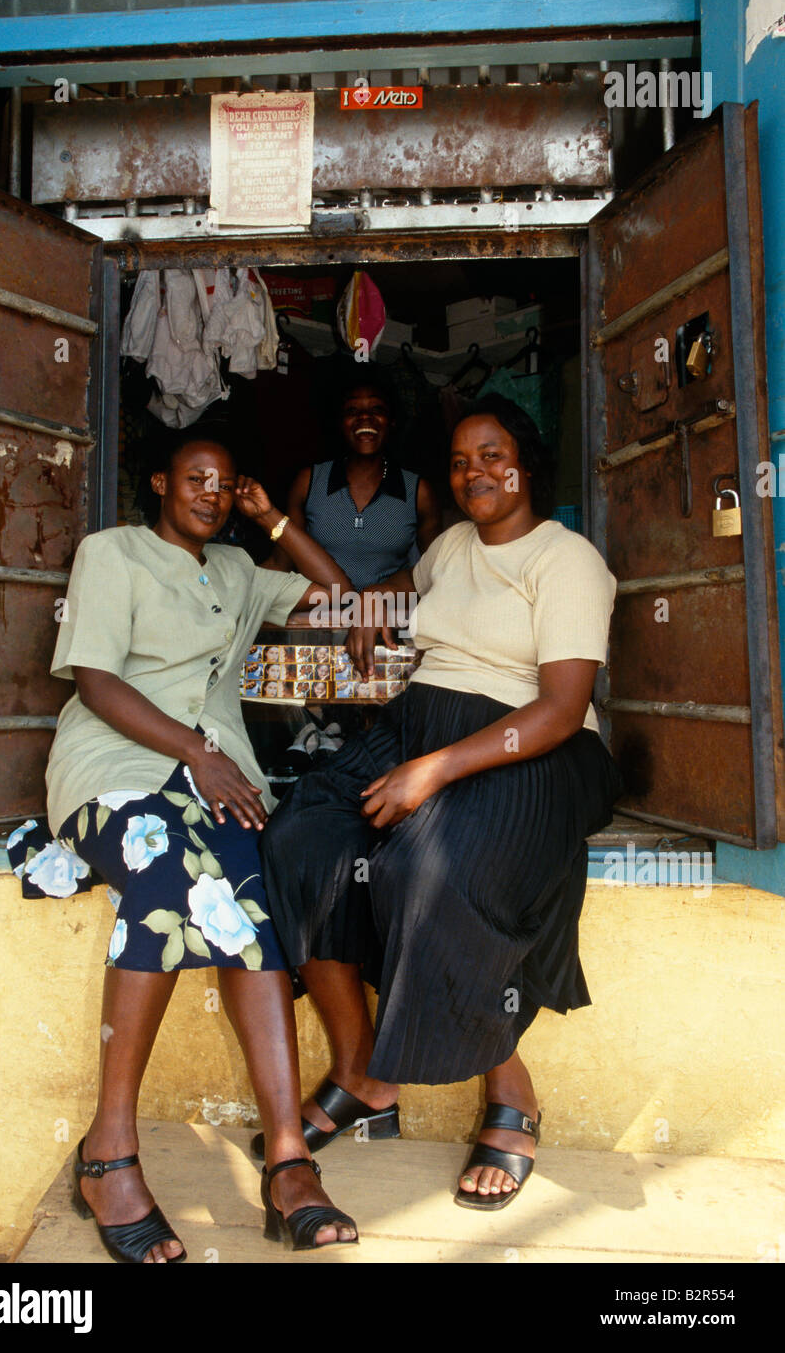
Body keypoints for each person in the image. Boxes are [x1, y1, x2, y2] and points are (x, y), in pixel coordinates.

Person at [256, 395, 623, 1208]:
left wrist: (436, 771)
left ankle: (511, 1087)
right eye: (460, 462)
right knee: (301, 840)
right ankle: (360, 1072)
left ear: (525, 461)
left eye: (492, 455)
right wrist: (366, 612)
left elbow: (562, 707)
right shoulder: (452, 545)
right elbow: (406, 582)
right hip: (423, 717)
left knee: (430, 866)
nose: (475, 473)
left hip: (532, 743)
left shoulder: (566, 561)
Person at [40, 429, 362, 1261]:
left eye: (226, 484)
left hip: (217, 778)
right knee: (163, 889)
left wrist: (273, 520)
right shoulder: (112, 554)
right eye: (197, 479)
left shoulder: (237, 571)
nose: (213, 494)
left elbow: (339, 596)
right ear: (160, 483)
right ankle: (108, 1151)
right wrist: (197, 752)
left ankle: (288, 1159)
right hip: (117, 765)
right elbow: (96, 679)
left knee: (253, 915)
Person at [264, 373, 441, 593]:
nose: (365, 417)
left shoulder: (418, 491)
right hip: (319, 617)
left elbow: (434, 572)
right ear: (340, 422)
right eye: (352, 411)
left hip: (389, 618)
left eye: (377, 409)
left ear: (392, 420)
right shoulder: (309, 482)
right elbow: (282, 562)